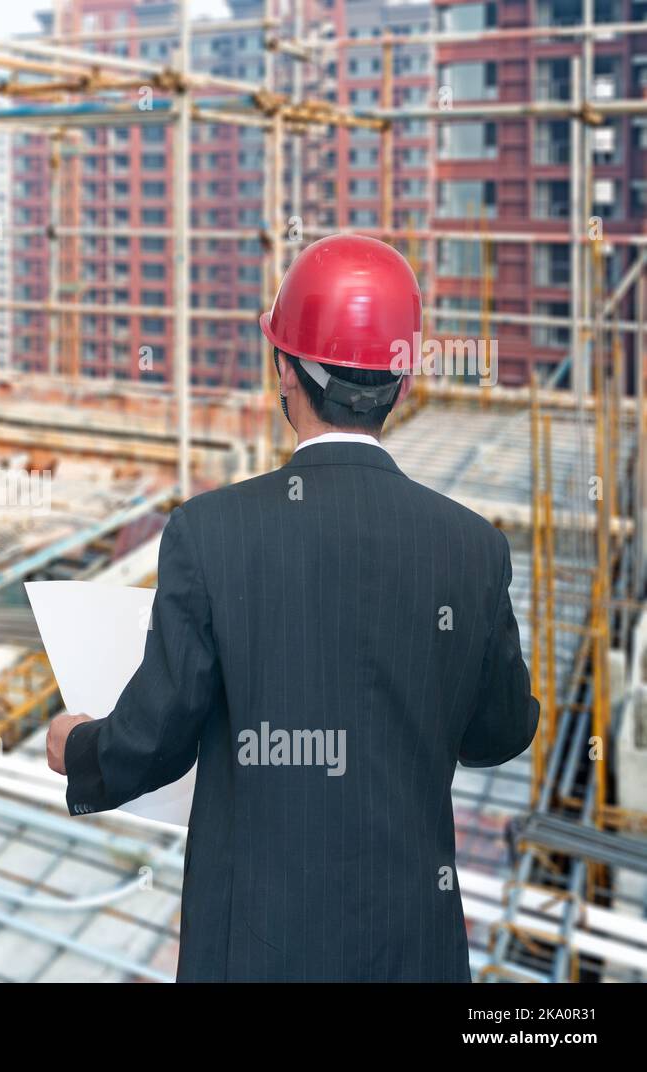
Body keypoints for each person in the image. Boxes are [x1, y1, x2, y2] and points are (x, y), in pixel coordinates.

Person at [45, 234, 538, 982]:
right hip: (413, 953)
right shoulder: (472, 549)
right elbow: (500, 733)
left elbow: (158, 737)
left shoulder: (212, 534)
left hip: (254, 954)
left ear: (284, 369)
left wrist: (77, 747)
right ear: (401, 382)